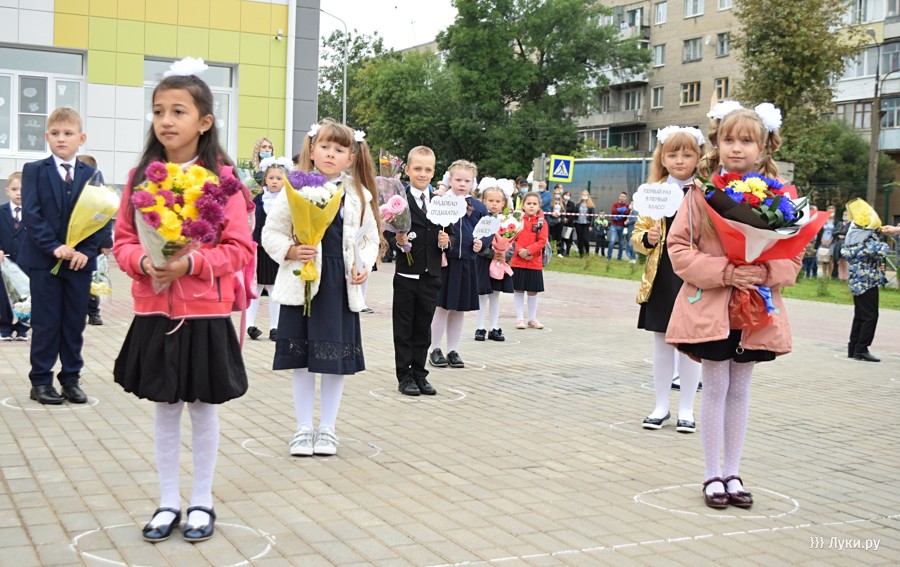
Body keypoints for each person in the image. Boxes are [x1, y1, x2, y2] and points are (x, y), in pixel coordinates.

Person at [112, 60, 253, 543]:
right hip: (155, 308)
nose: (166, 121)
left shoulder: (225, 180)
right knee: (165, 407)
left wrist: (190, 264)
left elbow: (240, 250)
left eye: (178, 111)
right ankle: (168, 500)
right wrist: (144, 263)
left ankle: (201, 501)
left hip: (204, 312)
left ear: (205, 121)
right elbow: (123, 241)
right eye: (158, 111)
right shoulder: (139, 178)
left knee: (202, 407)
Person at [667, 104, 800, 510]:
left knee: (740, 390)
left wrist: (762, 272)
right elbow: (678, 249)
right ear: (717, 144)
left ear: (762, 149)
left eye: (746, 141)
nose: (736, 148)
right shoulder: (701, 194)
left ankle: (733, 471)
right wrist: (727, 272)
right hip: (712, 308)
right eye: (729, 139)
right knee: (716, 387)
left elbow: (792, 258)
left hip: (755, 309)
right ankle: (711, 475)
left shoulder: (781, 198)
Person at [262, 119, 382, 456]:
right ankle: (302, 428)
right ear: (312, 150)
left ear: (351, 157)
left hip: (338, 286)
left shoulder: (357, 195)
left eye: (339, 149)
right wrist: (289, 250)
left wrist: (363, 264)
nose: (331, 154)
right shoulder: (294, 188)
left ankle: (327, 429)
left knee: (333, 360)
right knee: (301, 359)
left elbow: (370, 237)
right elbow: (271, 232)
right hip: (302, 283)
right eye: (325, 147)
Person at [20, 107, 111, 405]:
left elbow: (99, 216)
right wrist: (54, 246)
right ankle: (41, 381)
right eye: (56, 134)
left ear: (81, 138)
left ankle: (71, 378)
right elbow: (32, 215)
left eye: (68, 134)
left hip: (79, 264)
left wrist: (86, 251)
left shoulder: (91, 174)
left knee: (74, 322)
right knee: (46, 322)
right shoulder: (34, 170)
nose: (62, 139)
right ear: (47, 137)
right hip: (45, 261)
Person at [632, 126, 705, 434]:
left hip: (695, 277)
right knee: (661, 343)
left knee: (690, 346)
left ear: (698, 157)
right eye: (672, 154)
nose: (679, 160)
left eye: (687, 154)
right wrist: (647, 239)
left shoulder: (706, 191)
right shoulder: (655, 190)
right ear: (661, 157)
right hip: (661, 276)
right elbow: (636, 237)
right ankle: (661, 406)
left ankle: (687, 408)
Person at [392, 146, 454, 396]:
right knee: (404, 326)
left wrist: (446, 241)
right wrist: (398, 238)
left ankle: (420, 373)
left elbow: (451, 233)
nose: (423, 173)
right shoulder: (398, 200)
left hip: (431, 273)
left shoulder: (441, 203)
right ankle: (404, 374)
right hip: (407, 272)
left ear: (434, 172)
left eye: (428, 169)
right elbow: (387, 228)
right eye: (417, 168)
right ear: (407, 170)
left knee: (423, 326)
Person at [429, 160, 489, 369]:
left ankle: (453, 350)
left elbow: (487, 231)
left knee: (459, 309)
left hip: (468, 264)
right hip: (446, 263)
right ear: (450, 180)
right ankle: (434, 348)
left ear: (473, 182)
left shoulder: (479, 207)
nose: (462, 184)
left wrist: (482, 245)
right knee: (442, 307)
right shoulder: (441, 202)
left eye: (467, 180)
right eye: (458, 180)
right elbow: (432, 227)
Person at [247, 156, 290, 341]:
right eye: (271, 178)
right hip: (258, 249)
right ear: (265, 179)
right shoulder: (257, 199)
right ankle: (249, 325)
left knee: (274, 288)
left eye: (279, 178)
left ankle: (275, 327)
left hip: (276, 249)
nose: (274, 181)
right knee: (255, 286)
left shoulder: (287, 200)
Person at [842, 200, 889, 362]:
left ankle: (853, 347)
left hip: (856, 282)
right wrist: (879, 234)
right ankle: (862, 348)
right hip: (868, 282)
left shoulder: (852, 240)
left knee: (860, 315)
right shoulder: (867, 241)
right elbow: (883, 250)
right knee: (870, 316)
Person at [76, 154, 113, 326]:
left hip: (94, 245)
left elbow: (106, 219)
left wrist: (106, 243)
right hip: (73, 243)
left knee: (93, 279)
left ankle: (93, 312)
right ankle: (75, 312)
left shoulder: (100, 192)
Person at [474, 186, 513, 342]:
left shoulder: (508, 221)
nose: (494, 204)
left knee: (495, 295)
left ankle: (494, 328)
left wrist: (505, 254)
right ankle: (480, 327)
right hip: (483, 262)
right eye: (490, 200)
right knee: (482, 295)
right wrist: (492, 253)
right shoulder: (480, 219)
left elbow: (512, 241)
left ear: (503, 203)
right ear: (483, 201)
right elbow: (476, 242)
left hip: (499, 263)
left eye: (498, 201)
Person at [512, 192, 548, 329]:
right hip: (518, 260)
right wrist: (520, 250)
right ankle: (519, 319)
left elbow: (542, 241)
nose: (531, 206)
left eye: (534, 204)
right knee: (518, 289)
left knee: (533, 290)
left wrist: (528, 251)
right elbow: (511, 237)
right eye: (528, 203)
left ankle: (532, 319)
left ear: (539, 206)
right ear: (523, 205)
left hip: (534, 261)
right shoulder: (516, 220)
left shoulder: (542, 222)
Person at [0, 172, 29, 341]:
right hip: (5, 263)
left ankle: (23, 327)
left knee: (25, 294)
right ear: (7, 191)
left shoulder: (34, 214)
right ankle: (4, 326)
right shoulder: (1, 211)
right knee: (4, 295)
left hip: (26, 262)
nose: (19, 193)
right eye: (15, 189)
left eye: (23, 190)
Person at [607, 192, 630, 260]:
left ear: (626, 198)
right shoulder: (615, 204)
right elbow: (613, 211)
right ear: (619, 197)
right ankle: (609, 257)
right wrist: (622, 211)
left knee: (621, 243)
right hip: (614, 225)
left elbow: (627, 212)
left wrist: (620, 211)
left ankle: (619, 258)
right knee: (612, 241)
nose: (622, 197)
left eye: (623, 196)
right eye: (621, 196)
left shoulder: (627, 205)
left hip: (622, 226)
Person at [573, 190, 595, 258]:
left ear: (588, 196)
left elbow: (592, 216)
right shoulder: (578, 204)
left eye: (586, 195)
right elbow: (575, 214)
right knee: (579, 239)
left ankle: (587, 252)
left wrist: (591, 225)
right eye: (583, 194)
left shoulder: (590, 205)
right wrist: (574, 221)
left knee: (585, 239)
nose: (584, 196)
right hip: (578, 223)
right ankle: (581, 254)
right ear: (581, 196)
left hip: (586, 224)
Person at [816, 206, 835, 278]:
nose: (831, 213)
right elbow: (819, 232)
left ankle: (829, 275)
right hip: (823, 241)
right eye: (829, 211)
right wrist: (822, 240)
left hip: (832, 242)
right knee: (823, 258)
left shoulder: (836, 222)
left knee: (830, 259)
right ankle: (824, 274)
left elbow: (836, 232)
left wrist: (830, 241)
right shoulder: (822, 221)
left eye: (832, 211)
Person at [547, 187, 564, 255]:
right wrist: (552, 214)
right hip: (552, 221)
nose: (557, 195)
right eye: (556, 193)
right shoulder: (551, 202)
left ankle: (559, 252)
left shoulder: (562, 203)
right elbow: (548, 210)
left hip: (559, 221)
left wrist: (560, 215)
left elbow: (564, 211)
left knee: (559, 237)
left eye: (558, 193)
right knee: (551, 236)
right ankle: (550, 250)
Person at [559, 190, 576, 256]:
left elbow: (573, 213)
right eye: (566, 194)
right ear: (563, 195)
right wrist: (563, 218)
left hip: (569, 223)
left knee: (568, 238)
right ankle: (560, 252)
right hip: (561, 222)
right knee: (561, 237)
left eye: (569, 195)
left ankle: (567, 252)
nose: (567, 196)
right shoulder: (560, 203)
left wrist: (568, 219)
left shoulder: (572, 204)